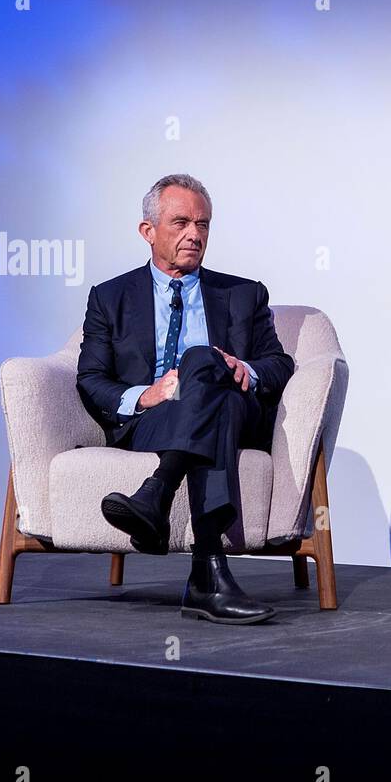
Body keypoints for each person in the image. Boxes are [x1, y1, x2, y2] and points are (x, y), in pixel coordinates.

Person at [76, 174, 294, 624]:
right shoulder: (110, 297)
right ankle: (206, 579)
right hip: (155, 420)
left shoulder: (243, 294)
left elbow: (280, 364)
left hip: (235, 412)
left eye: (203, 225)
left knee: (202, 362)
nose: (194, 235)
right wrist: (146, 395)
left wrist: (244, 369)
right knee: (209, 390)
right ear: (148, 230)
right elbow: (91, 379)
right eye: (180, 223)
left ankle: (156, 493)